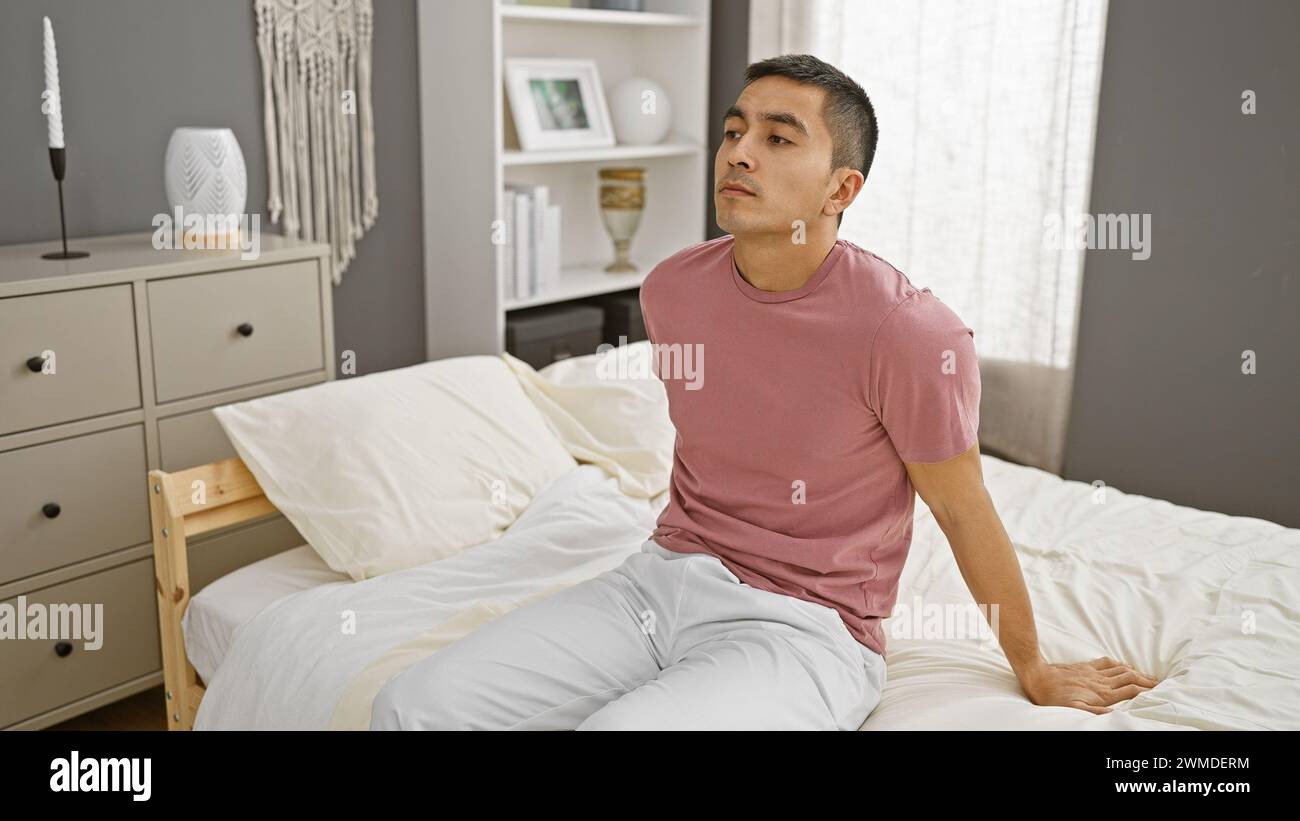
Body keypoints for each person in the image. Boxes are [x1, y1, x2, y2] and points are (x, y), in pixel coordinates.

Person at [371, 53, 1158, 731]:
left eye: (778, 138)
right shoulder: (673, 288)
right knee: (411, 704)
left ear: (840, 189)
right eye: (734, 130)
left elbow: (962, 507)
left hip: (809, 629)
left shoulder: (910, 332)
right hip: (657, 580)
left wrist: (1034, 664)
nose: (739, 152)